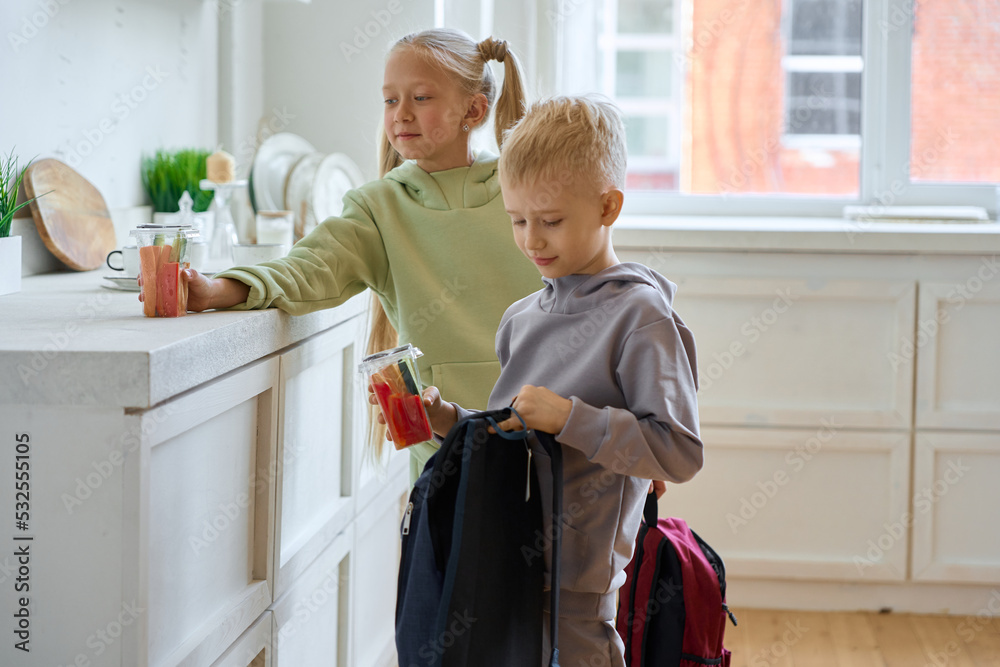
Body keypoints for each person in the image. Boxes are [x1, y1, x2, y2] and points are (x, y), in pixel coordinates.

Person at [151, 28, 542, 480]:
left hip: (547, 425)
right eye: (390, 100)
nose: (401, 115)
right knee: (449, 549)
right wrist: (216, 290)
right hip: (446, 448)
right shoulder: (378, 206)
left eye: (420, 97)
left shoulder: (525, 188)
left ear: (472, 109)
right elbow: (310, 268)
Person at [419, 95, 705, 667]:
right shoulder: (521, 319)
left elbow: (678, 453)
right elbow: (513, 434)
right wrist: (449, 422)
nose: (532, 241)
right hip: (502, 563)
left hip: (578, 588)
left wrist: (572, 418)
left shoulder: (640, 317)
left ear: (608, 206)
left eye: (550, 221)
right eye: (517, 220)